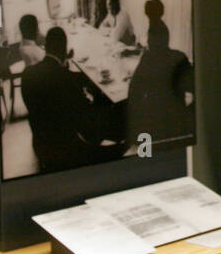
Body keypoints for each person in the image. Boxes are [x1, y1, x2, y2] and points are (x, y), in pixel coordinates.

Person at [19, 26, 121, 172]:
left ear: (46, 47)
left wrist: (65, 63)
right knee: (118, 130)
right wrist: (98, 98)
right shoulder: (66, 79)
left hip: (41, 145)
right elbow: (89, 128)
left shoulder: (28, 74)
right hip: (68, 153)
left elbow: (53, 78)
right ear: (64, 49)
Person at [125, 19, 194, 147]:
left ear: (150, 42)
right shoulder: (180, 58)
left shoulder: (147, 59)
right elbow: (195, 89)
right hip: (178, 123)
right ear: (167, 40)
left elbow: (133, 92)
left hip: (155, 126)